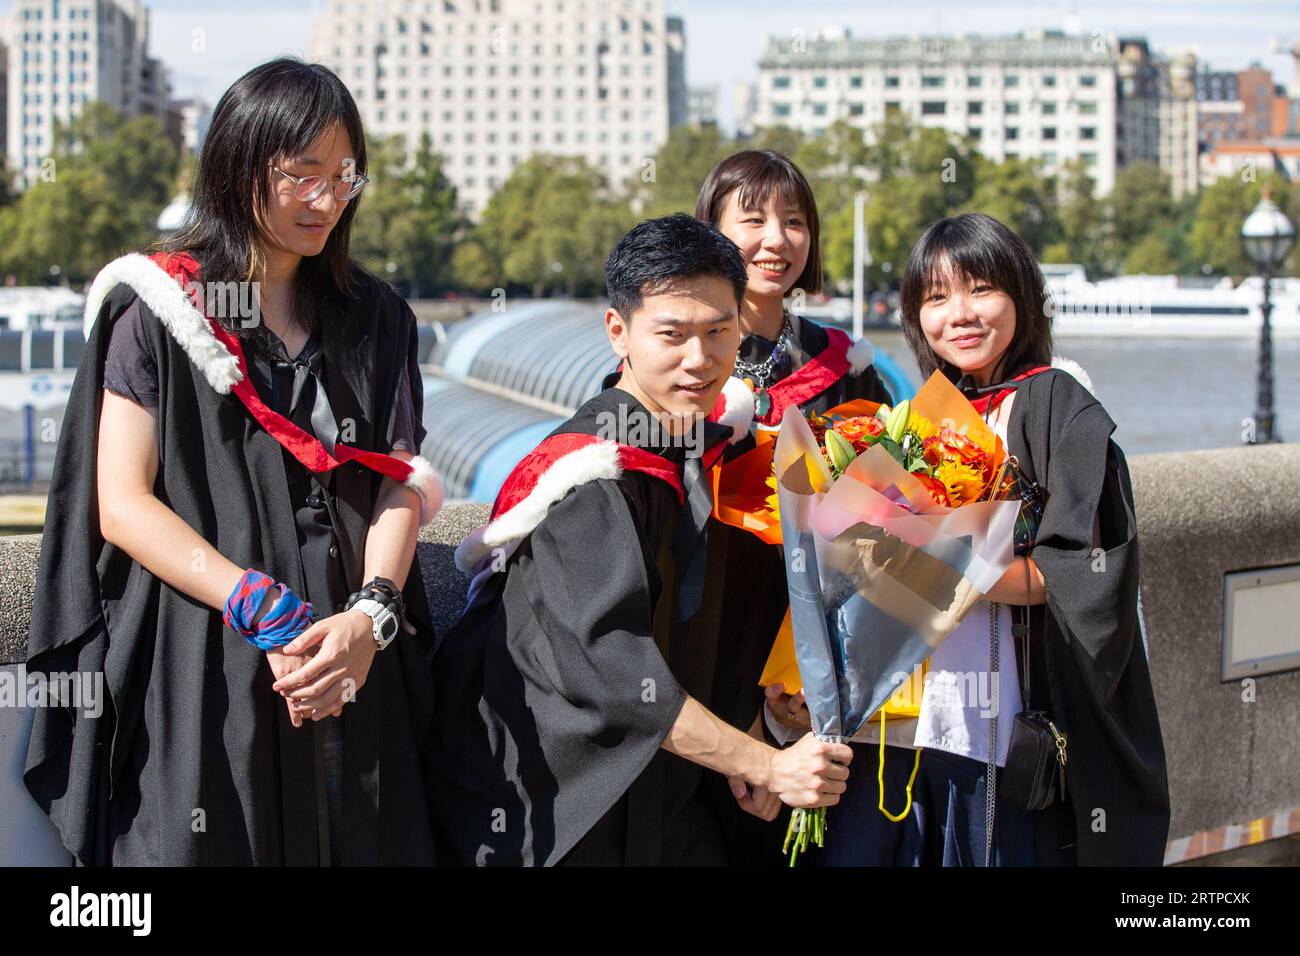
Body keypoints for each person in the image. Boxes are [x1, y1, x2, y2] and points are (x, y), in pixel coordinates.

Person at [23, 58, 444, 865]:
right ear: (237, 167)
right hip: (207, 653)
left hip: (353, 660)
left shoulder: (377, 316)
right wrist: (256, 602)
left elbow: (397, 479)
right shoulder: (157, 310)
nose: (326, 200)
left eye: (344, 175)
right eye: (301, 175)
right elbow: (122, 499)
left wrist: (373, 614)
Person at [425, 213, 854, 866]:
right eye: (673, 335)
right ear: (618, 332)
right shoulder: (588, 477)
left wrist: (750, 726)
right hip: (553, 801)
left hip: (665, 793)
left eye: (719, 332)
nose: (700, 359)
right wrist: (766, 765)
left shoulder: (706, 449)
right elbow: (621, 677)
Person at [814, 212, 1170, 866]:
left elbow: (1078, 574)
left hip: (999, 728)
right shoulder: (920, 416)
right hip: (903, 722)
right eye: (937, 297)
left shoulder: (1056, 405)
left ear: (1023, 296)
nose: (961, 313)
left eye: (981, 289)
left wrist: (935, 562)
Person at [692, 150, 894, 862]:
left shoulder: (850, 368)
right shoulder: (678, 362)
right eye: (752, 219)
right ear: (711, 229)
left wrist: (808, 690)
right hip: (699, 650)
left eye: (795, 221)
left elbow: (888, 527)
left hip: (816, 672)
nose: (776, 240)